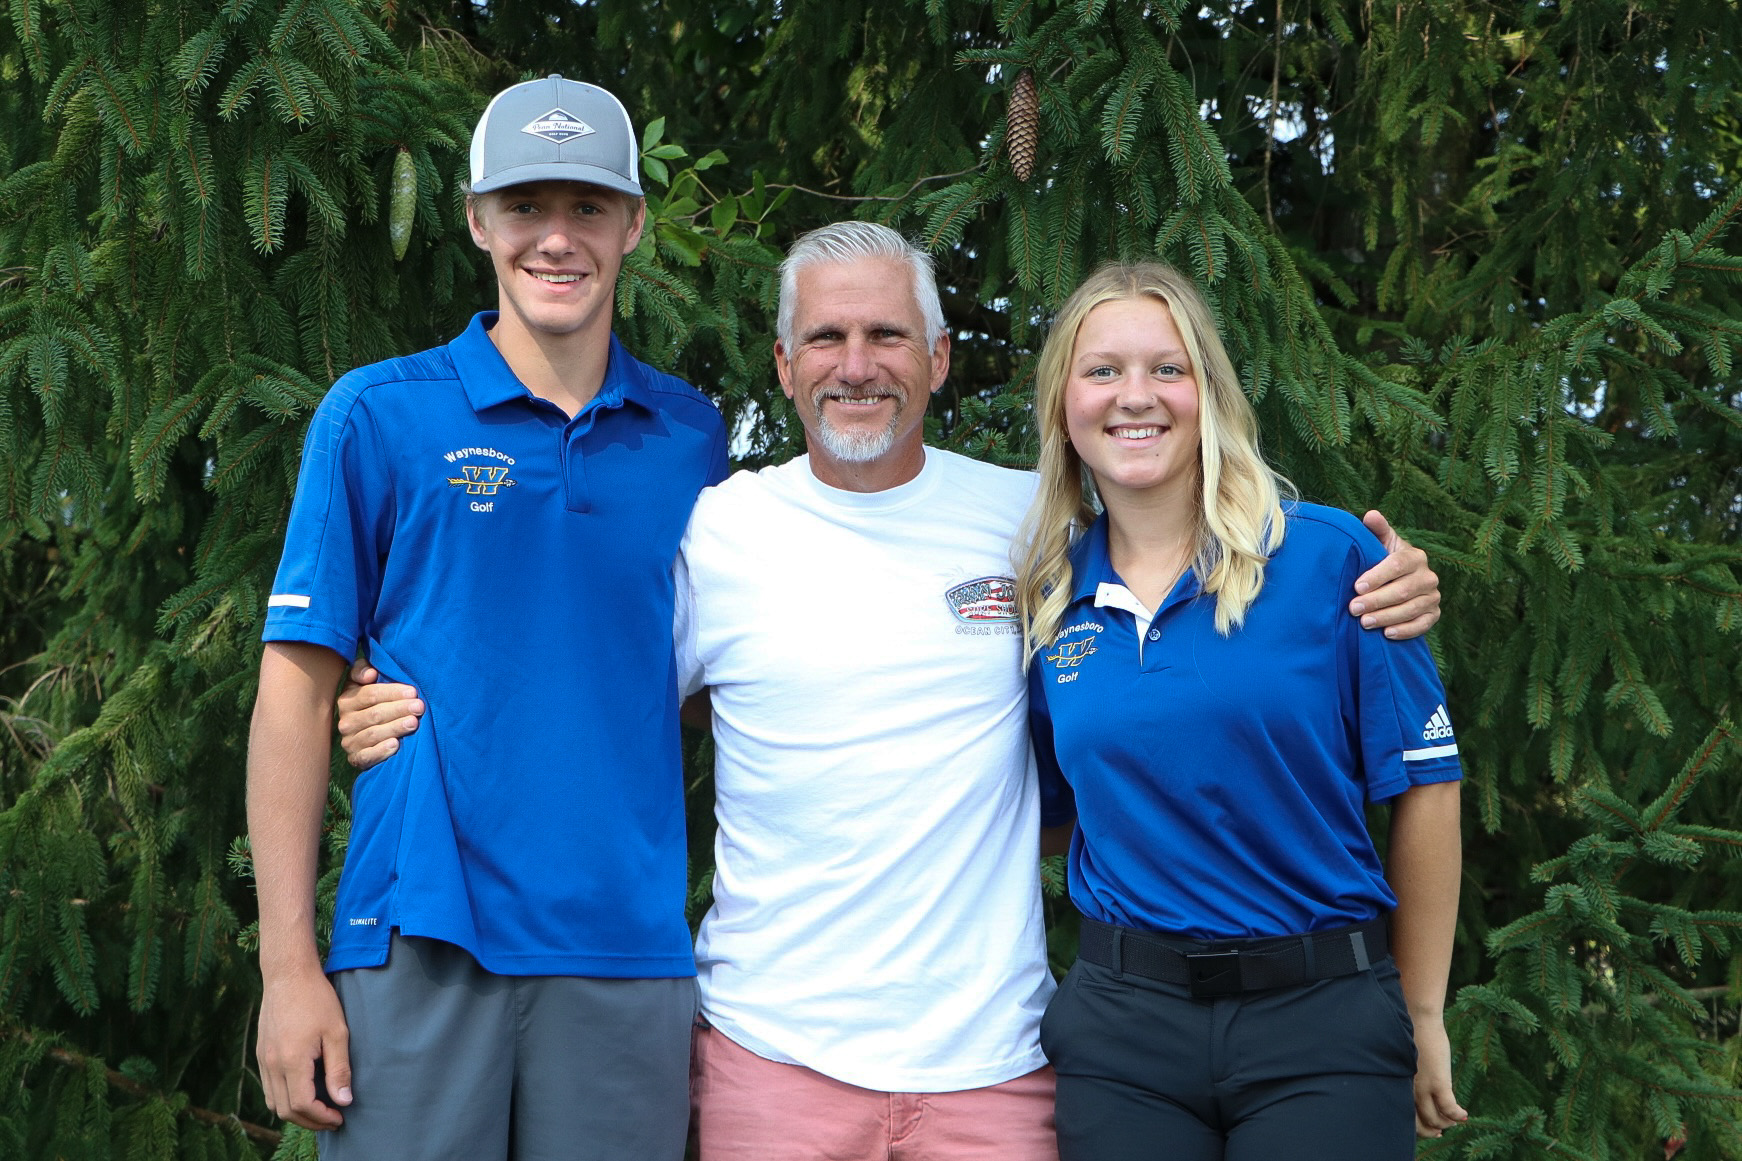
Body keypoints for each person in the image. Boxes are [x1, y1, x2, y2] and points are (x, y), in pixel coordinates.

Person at [336, 224, 1443, 1161]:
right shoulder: (719, 531)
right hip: (771, 1058)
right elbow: (585, 683)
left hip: (994, 1068)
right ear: (781, 363)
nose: (854, 363)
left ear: (940, 357)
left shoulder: (1035, 529)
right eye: (825, 335)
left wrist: (1381, 576)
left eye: (885, 335)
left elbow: (1185, 598)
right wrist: (388, 693)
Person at [247, 75, 727, 1160]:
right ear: (476, 220)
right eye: (525, 208)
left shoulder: (692, 442)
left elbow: (717, 683)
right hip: (417, 937)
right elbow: (293, 697)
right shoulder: (378, 415)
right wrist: (287, 971)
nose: (556, 240)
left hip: (624, 952)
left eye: (588, 208)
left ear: (633, 225)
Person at [1017, 259, 1468, 1161]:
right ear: (1063, 403)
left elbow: (1427, 785)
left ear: (1208, 393)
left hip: (1323, 1024)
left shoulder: (1333, 560)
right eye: (1102, 369)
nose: (1134, 395)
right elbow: (1051, 815)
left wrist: (1421, 1008)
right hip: (1123, 1032)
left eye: (1167, 369)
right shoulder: (1048, 600)